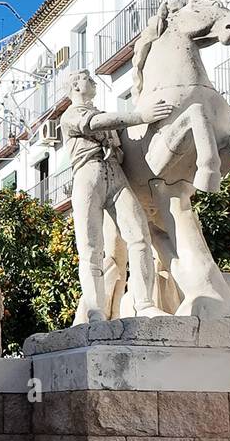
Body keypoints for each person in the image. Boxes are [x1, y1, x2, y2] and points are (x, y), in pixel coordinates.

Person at [59, 69, 174, 322]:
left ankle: (144, 304)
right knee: (91, 247)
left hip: (115, 172)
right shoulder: (71, 115)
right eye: (87, 79)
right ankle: (95, 310)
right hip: (88, 175)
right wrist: (141, 116)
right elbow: (93, 124)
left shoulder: (102, 113)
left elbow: (118, 137)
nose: (92, 81)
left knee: (139, 234)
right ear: (75, 86)